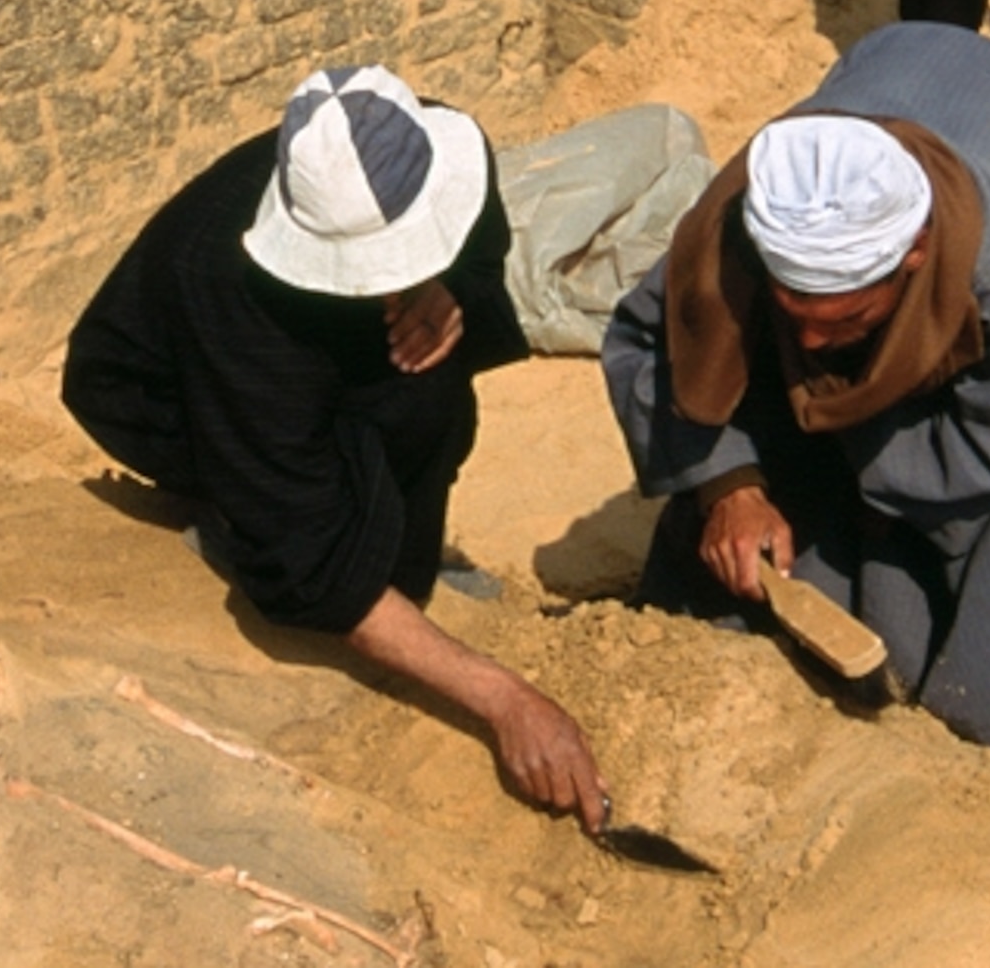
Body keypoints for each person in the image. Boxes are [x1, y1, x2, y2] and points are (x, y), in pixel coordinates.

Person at [601, 23, 990, 872]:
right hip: (894, 67)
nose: (817, 341)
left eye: (846, 316)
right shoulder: (739, 225)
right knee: (780, 411)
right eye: (796, 308)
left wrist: (849, 442)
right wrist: (730, 486)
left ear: (915, 253)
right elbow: (659, 351)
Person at [61, 65, 605, 831]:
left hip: (291, 349)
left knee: (431, 392)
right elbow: (309, 567)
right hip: (161, 396)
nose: (387, 278)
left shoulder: (445, 151)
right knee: (299, 540)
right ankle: (229, 522)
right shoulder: (234, 300)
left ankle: (403, 581)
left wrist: (449, 295)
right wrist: (505, 699)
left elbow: (483, 260)